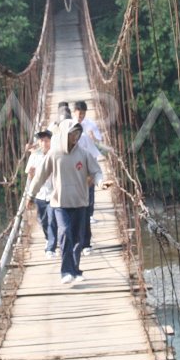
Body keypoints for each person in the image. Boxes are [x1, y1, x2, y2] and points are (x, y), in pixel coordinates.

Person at [26, 119, 101, 285]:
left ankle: (75, 270)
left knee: (77, 239)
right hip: (60, 203)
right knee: (65, 233)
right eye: (72, 134)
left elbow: (96, 171)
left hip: (80, 203)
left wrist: (102, 182)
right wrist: (31, 195)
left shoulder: (83, 153)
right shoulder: (54, 154)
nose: (75, 137)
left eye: (77, 134)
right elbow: (39, 177)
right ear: (64, 135)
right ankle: (66, 271)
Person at [73, 100, 106, 254]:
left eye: (83, 114)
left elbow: (98, 147)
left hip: (85, 173)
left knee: (85, 209)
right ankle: (75, 243)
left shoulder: (88, 129)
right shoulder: (64, 128)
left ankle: (85, 244)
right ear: (73, 112)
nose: (80, 116)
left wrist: (95, 176)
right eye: (78, 113)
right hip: (70, 177)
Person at [25, 130, 57, 259]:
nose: (44, 143)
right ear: (39, 142)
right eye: (42, 141)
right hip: (39, 194)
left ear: (51, 142)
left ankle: (51, 248)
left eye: (47, 141)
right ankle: (48, 238)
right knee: (43, 221)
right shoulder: (34, 156)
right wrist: (29, 195)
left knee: (52, 219)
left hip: (54, 193)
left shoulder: (55, 155)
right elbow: (30, 176)